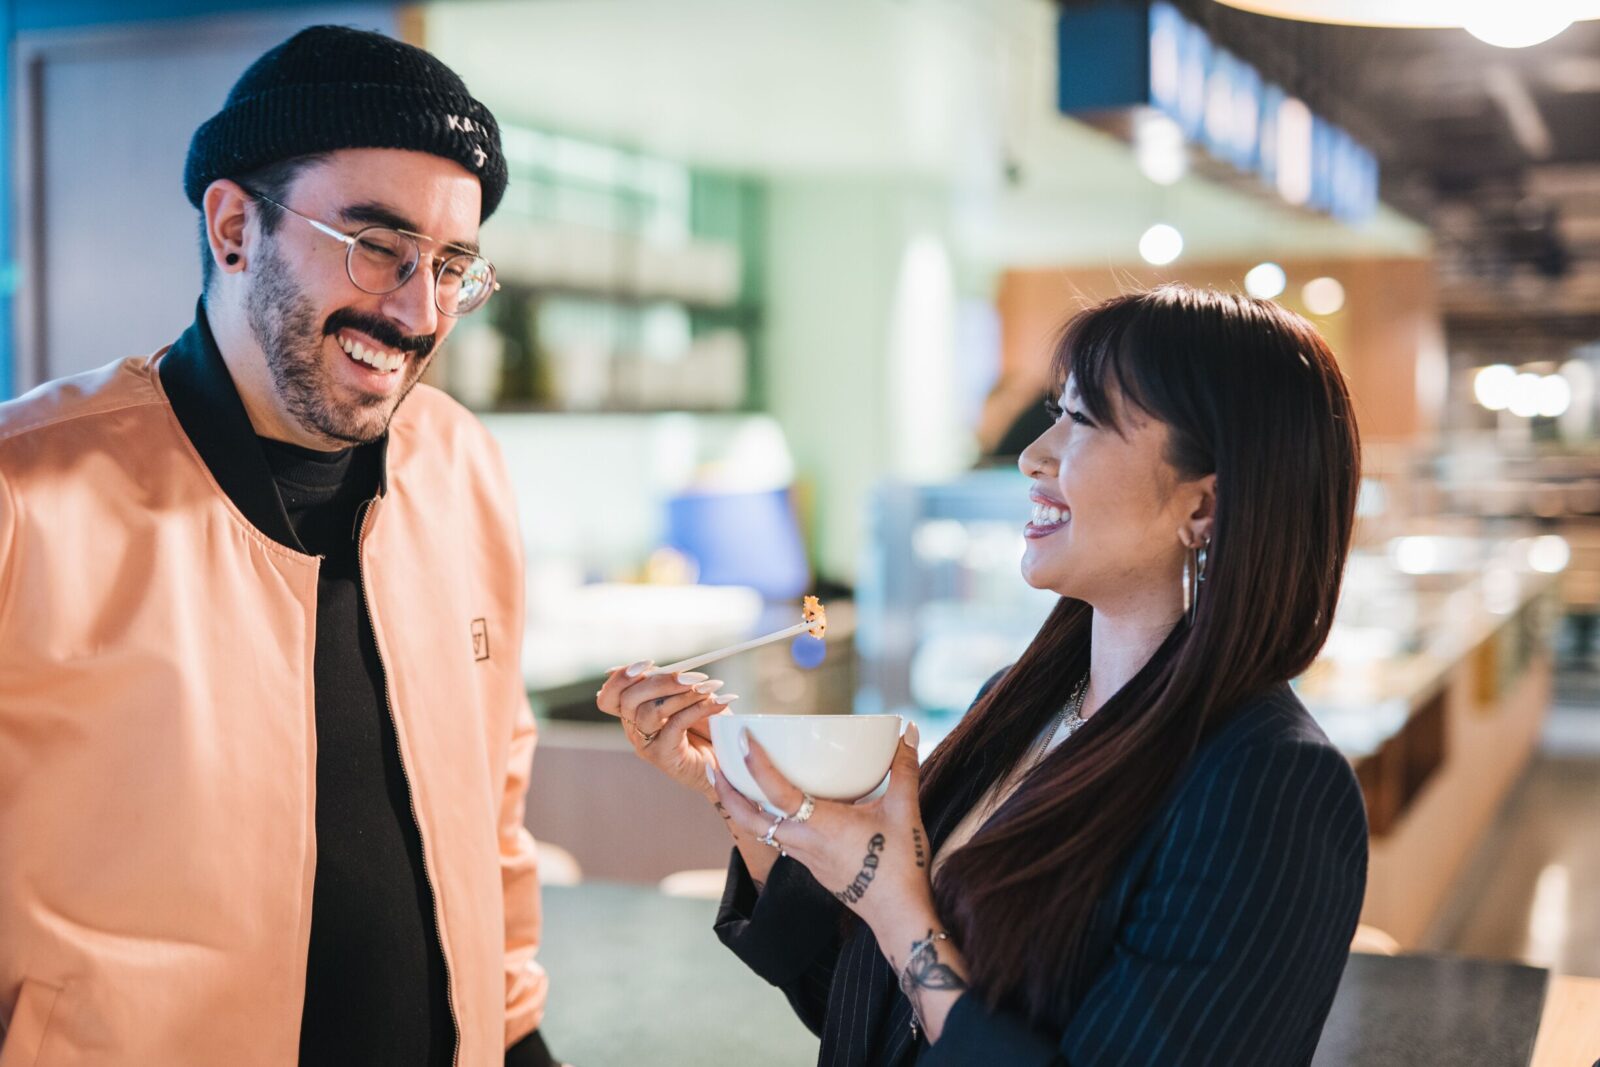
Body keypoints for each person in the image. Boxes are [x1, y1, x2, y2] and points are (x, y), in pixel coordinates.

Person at [597, 284, 1369, 1065]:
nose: (1035, 455)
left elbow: (910, 950)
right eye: (1055, 414)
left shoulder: (1273, 786)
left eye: (1086, 422)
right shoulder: (1021, 701)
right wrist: (743, 789)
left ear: (1205, 506)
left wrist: (900, 912)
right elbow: (872, 1012)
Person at [0, 26, 558, 1066]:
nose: (418, 309)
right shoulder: (23, 493)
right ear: (232, 226)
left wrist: (516, 1030)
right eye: (378, 246)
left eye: (452, 265)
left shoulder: (461, 465)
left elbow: (494, 811)